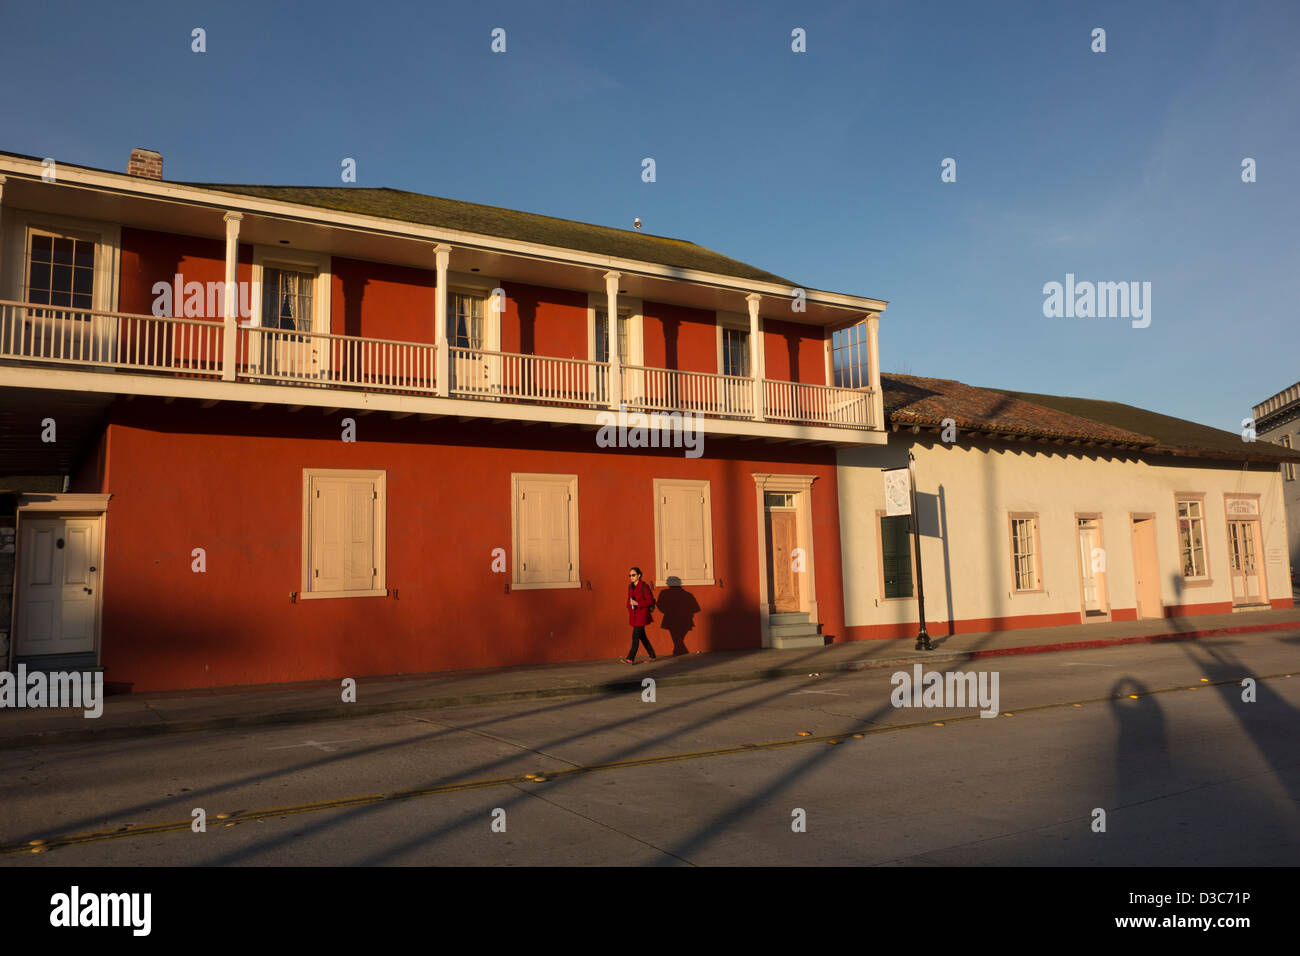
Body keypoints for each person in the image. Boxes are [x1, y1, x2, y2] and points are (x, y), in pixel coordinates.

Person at [623, 567, 657, 663]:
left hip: (642, 615)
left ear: (639, 575)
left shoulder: (644, 586)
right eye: (630, 575)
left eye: (633, 575)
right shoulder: (630, 586)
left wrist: (638, 603)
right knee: (642, 636)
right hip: (634, 614)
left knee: (635, 636)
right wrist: (629, 607)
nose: (631, 577)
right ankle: (652, 655)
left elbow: (650, 601)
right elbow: (629, 599)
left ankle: (630, 658)